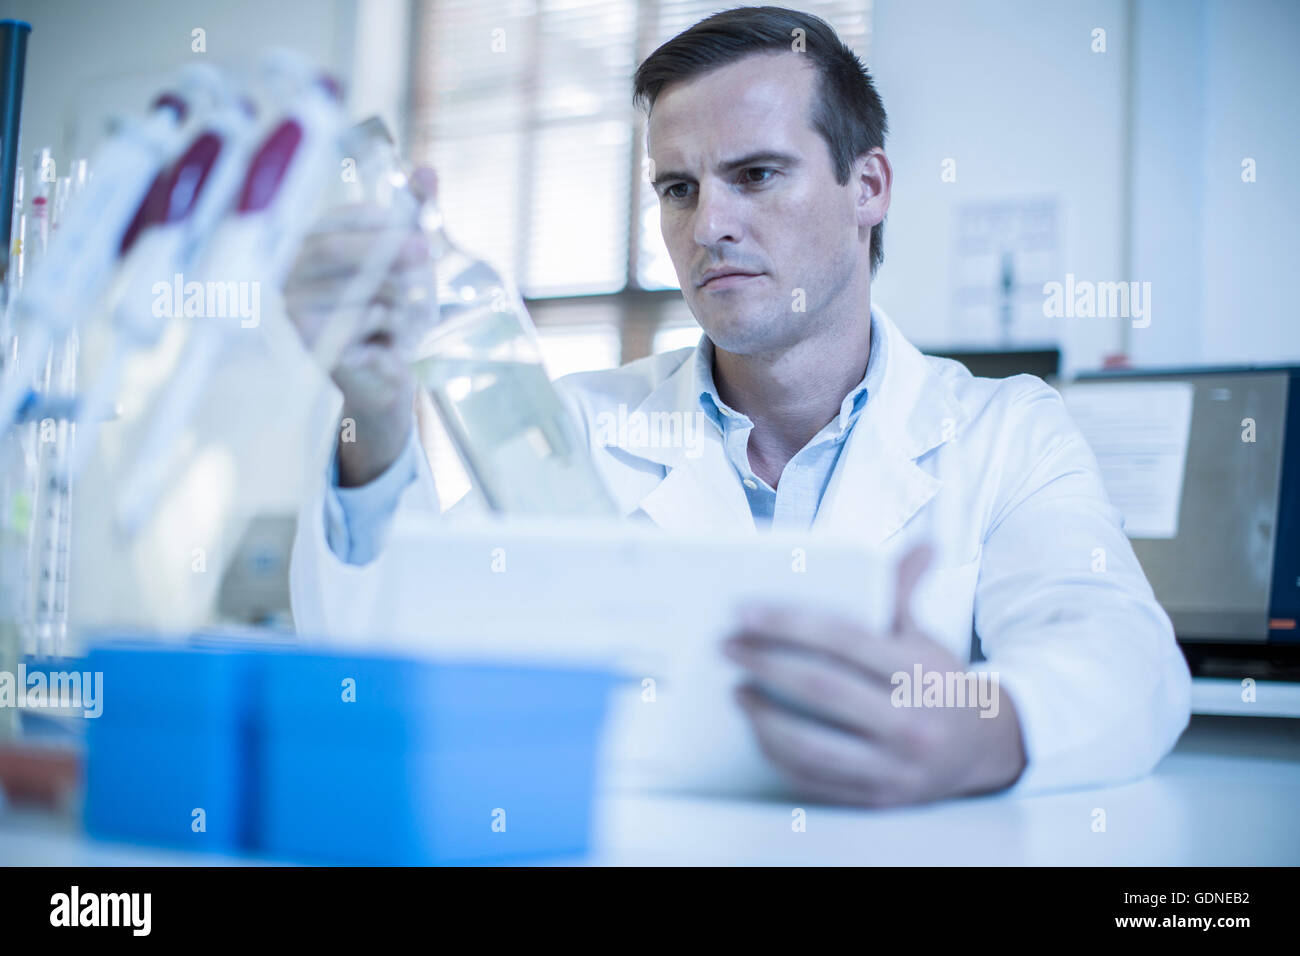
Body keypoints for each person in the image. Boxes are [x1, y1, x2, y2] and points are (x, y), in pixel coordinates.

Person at [286, 6, 1191, 806]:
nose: (706, 224)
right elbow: (378, 657)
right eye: (677, 188)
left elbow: (1126, 660)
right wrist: (375, 408)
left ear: (868, 186)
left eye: (755, 175)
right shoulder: (578, 428)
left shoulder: (1006, 433)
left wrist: (981, 726)